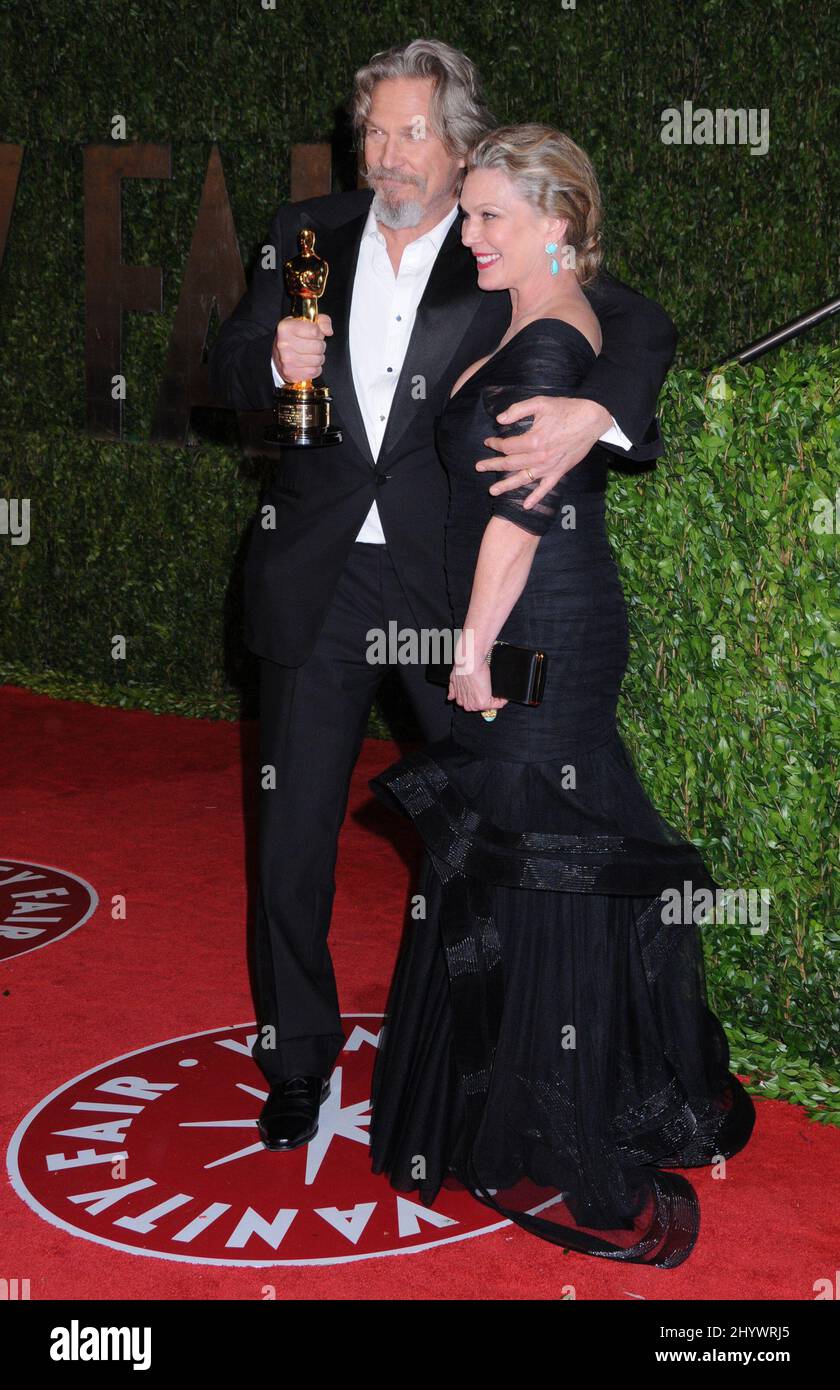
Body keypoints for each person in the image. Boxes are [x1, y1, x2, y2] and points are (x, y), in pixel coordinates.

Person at [208, 39, 678, 1154]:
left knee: (486, 829)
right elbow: (223, 368)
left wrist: (593, 416)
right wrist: (273, 361)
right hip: (317, 575)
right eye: (372, 130)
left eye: (411, 130)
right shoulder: (303, 234)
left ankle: (502, 1055)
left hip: (455, 585)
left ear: (459, 137)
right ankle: (297, 1058)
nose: (388, 153)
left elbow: (636, 321)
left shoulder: (491, 232)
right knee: (291, 836)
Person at [367, 123, 755, 1269]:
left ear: (560, 226)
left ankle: (551, 1112)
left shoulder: (544, 342)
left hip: (536, 621)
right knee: (524, 846)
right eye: (468, 211)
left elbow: (519, 520)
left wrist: (475, 645)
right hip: (548, 617)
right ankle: (550, 1090)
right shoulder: (533, 313)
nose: (469, 233)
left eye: (492, 216)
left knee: (528, 848)